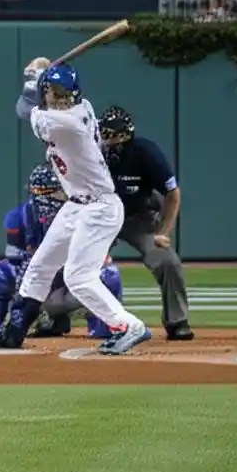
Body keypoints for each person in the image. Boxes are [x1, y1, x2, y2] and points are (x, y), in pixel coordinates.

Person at [0, 59, 151, 355]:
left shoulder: (64, 122)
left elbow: (24, 108)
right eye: (54, 91)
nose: (58, 98)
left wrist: (33, 79)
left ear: (74, 94)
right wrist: (44, 72)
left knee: (78, 276)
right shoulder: (84, 107)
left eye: (64, 92)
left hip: (100, 207)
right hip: (77, 204)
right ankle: (14, 331)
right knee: (40, 267)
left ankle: (128, 325)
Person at [0, 165, 123, 344]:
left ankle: (106, 327)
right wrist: (23, 307)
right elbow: (18, 262)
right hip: (38, 285)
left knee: (108, 273)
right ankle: (8, 325)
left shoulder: (88, 214)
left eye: (52, 192)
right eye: (39, 192)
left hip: (72, 287)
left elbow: (97, 258)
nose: (45, 199)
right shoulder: (19, 217)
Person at [98, 106, 194, 341]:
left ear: (129, 134)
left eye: (118, 135)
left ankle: (177, 321)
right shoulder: (92, 151)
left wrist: (163, 232)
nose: (112, 141)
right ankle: (54, 316)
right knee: (73, 262)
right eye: (107, 135)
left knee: (167, 261)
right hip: (101, 216)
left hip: (139, 216)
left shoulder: (145, 152)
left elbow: (173, 193)